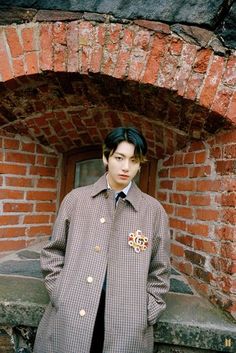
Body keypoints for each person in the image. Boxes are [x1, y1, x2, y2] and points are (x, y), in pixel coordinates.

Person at [33, 126, 171, 353]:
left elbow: (160, 269)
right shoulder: (75, 200)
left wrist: (148, 310)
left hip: (127, 321)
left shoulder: (153, 211)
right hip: (72, 313)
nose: (126, 167)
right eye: (119, 158)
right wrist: (60, 294)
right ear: (106, 157)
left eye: (134, 160)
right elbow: (53, 252)